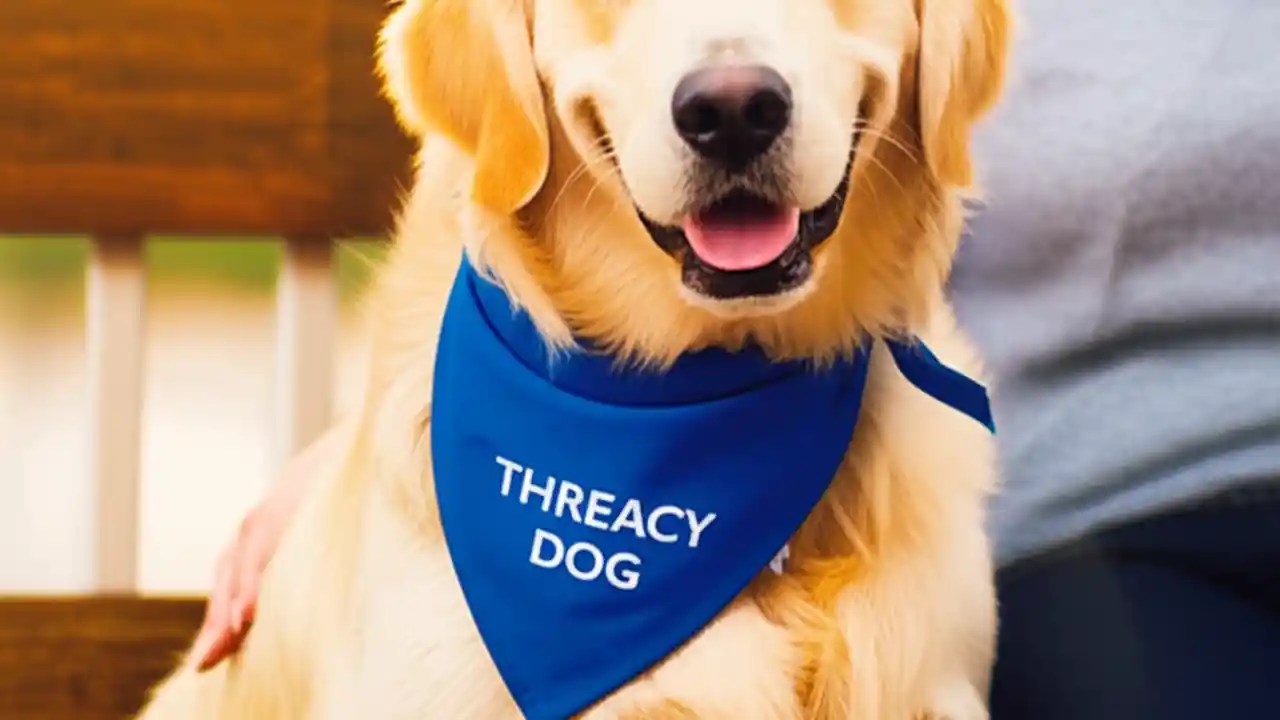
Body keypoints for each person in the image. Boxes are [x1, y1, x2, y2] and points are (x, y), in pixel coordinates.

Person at [193, 1, 1280, 716]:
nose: (732, 85)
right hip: (1131, 523)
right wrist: (369, 450)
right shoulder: (451, 564)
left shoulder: (935, 521)